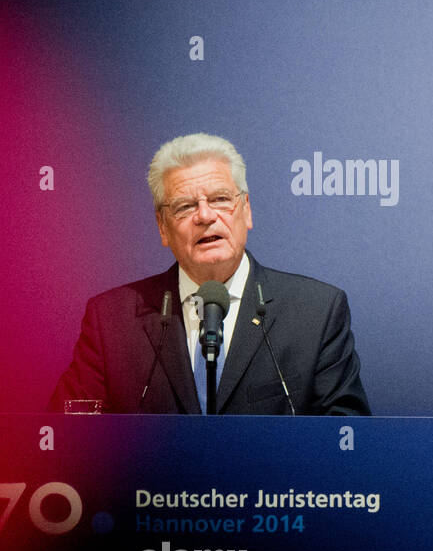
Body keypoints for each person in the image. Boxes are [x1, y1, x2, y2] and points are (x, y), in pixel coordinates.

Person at [49, 133, 370, 415]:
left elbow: (346, 442)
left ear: (246, 210)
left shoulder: (316, 312)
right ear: (162, 227)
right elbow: (68, 441)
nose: (205, 215)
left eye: (220, 199)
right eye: (185, 206)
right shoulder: (112, 321)